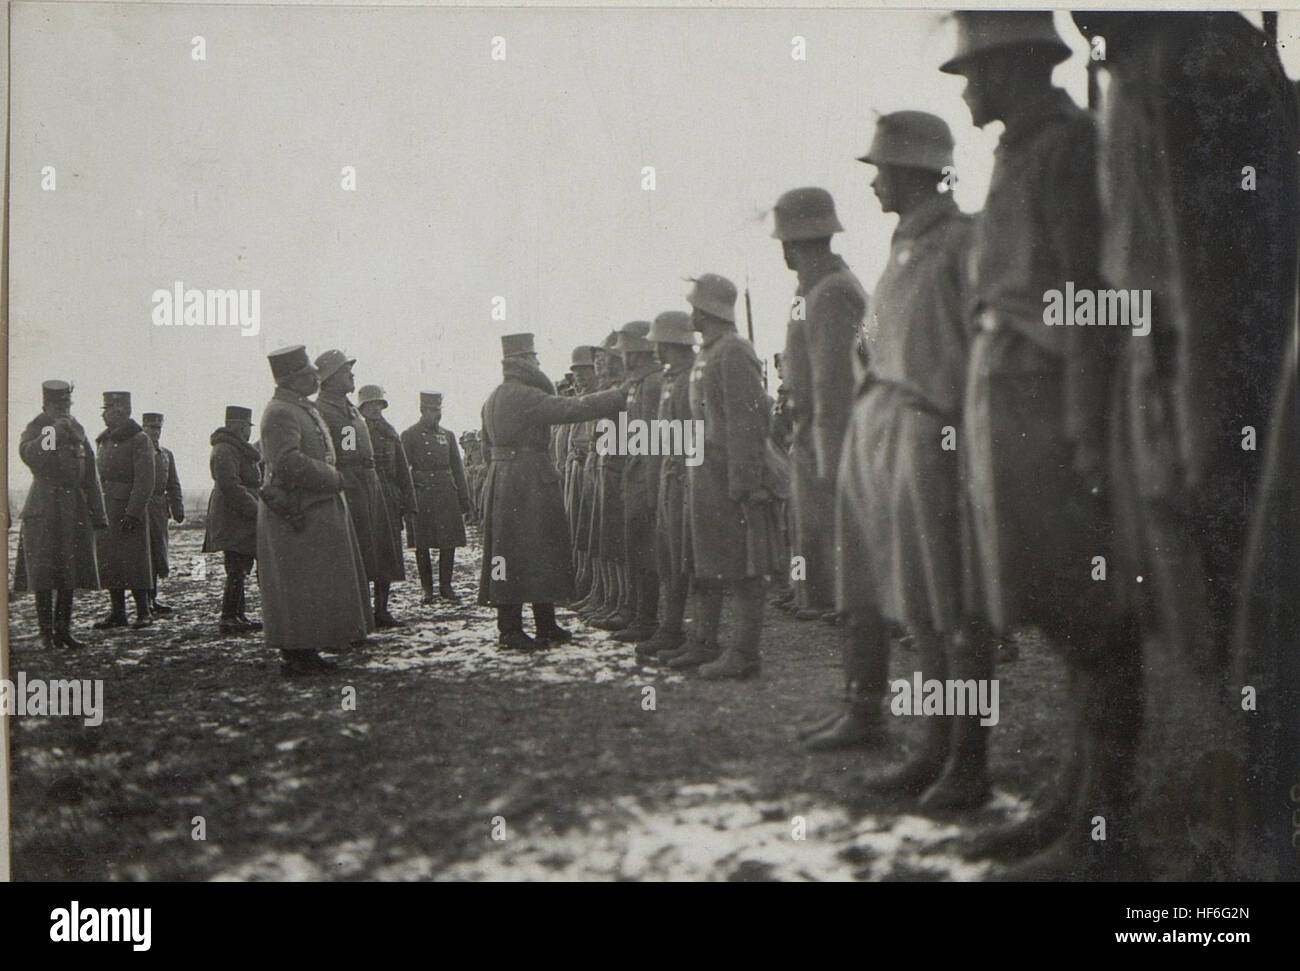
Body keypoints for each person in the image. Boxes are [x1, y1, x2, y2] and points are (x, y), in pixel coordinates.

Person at [1072, 10, 1300, 880]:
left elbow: (1224, 268)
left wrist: (1205, 431)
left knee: (1249, 615)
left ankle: (1258, 840)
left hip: (1219, 389)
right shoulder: (1136, 65)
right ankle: (1224, 828)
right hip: (1164, 378)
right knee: (1199, 628)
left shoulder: (1202, 58)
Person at [940, 11, 1135, 878]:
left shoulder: (1065, 147)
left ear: (1017, 68)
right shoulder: (1018, 149)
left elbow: (1098, 301)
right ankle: (1073, 797)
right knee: (1057, 612)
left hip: (1053, 412)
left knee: (1096, 621)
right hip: (1011, 411)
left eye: (975, 72)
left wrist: (1090, 430)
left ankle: (1106, 829)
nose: (967, 88)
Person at [802, 113, 986, 805]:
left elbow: (974, 345)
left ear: (909, 170)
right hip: (891, 438)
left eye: (880, 168)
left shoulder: (959, 241)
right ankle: (936, 745)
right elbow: (871, 349)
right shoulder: (902, 249)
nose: (874, 181)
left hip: (938, 435)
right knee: (921, 607)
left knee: (954, 608)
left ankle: (968, 759)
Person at [478, 332, 627, 650]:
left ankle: (541, 624)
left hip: (506, 479)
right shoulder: (522, 396)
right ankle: (512, 630)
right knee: (528, 552)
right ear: (523, 362)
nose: (538, 363)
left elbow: (487, 443)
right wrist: (619, 395)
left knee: (520, 552)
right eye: (534, 358)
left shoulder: (495, 396)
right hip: (528, 481)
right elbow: (572, 408)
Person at [671, 275, 783, 680]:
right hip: (708, 475)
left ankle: (744, 652)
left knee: (746, 567)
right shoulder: (710, 354)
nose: (691, 313)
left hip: (732, 478)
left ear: (708, 310)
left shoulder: (733, 352)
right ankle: (704, 642)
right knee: (711, 562)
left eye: (696, 307)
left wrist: (746, 483)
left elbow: (748, 423)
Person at [258, 345, 372, 676]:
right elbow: (287, 461)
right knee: (298, 584)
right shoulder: (282, 411)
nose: (314, 375)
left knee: (311, 581)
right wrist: (336, 477)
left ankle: (307, 649)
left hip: (316, 506)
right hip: (298, 510)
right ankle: (297, 654)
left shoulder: (301, 408)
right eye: (309, 370)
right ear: (294, 378)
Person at [774, 187, 861, 622]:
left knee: (845, 523)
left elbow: (834, 383)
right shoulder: (811, 292)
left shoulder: (830, 293)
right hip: (810, 429)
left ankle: (860, 609)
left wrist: (827, 450)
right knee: (818, 528)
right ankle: (838, 602)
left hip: (832, 431)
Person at [314, 350, 406, 628]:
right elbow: (338, 452)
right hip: (349, 486)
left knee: (378, 549)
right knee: (354, 553)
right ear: (329, 379)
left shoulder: (349, 408)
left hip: (369, 484)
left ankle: (379, 611)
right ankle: (354, 616)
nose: (352, 375)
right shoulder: (323, 411)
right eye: (345, 371)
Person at [13, 380, 107, 649]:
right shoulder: (38, 428)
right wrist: (53, 430)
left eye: (67, 404)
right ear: (46, 406)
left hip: (73, 509)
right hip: (44, 508)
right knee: (44, 572)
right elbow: (33, 457)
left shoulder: (78, 431)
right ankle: (46, 634)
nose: (64, 409)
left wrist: (98, 513)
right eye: (58, 405)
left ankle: (63, 631)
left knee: (70, 570)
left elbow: (91, 475)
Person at [635, 311, 697, 662]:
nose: (654, 349)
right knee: (670, 558)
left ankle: (684, 633)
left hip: (686, 478)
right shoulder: (673, 378)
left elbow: (699, 434)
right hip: (668, 478)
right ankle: (671, 629)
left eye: (658, 342)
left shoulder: (689, 379)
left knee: (688, 559)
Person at [611, 320, 664, 643]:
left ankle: (646, 619)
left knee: (647, 551)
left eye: (626, 350)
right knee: (636, 549)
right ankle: (638, 614)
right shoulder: (639, 384)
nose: (623, 357)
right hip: (636, 474)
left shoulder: (653, 384)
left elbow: (654, 440)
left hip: (647, 476)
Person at [93, 390, 157, 630]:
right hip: (107, 507)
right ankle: (118, 612)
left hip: (129, 509)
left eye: (107, 410)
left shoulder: (139, 439)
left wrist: (133, 512)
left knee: (137, 561)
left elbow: (145, 480)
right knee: (111, 561)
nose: (104, 416)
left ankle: (143, 612)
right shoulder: (105, 440)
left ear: (120, 411)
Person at [401, 392, 472, 604]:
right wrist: (416, 480)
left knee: (448, 540)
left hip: (445, 493)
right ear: (423, 411)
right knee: (422, 542)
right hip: (422, 494)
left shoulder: (448, 435)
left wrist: (464, 498)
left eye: (439, 411)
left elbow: (457, 469)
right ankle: (427, 588)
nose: (436, 415)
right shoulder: (410, 435)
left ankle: (445, 585)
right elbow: (403, 469)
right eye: (432, 411)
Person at [202, 405, 263, 633]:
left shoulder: (234, 448)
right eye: (248, 426)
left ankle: (238, 615)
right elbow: (230, 485)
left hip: (240, 514)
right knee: (237, 565)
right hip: (234, 515)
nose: (249, 431)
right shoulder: (225, 449)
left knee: (241, 564)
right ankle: (229, 617)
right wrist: (255, 509)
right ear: (239, 426)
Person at [359, 385, 419, 615]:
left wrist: (409, 502)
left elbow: (403, 469)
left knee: (387, 553)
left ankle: (382, 610)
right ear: (362, 407)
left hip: (389, 496)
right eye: (371, 404)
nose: (376, 409)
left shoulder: (390, 432)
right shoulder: (352, 430)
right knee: (365, 553)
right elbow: (345, 461)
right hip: (364, 494)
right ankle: (363, 611)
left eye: (379, 405)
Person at [141, 412, 184, 616]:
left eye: (158, 428)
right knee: (142, 555)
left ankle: (153, 598)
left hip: (159, 509)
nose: (155, 432)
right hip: (140, 508)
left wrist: (178, 510)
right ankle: (143, 604)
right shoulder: (138, 452)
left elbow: (173, 484)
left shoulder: (166, 454)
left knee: (158, 554)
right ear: (143, 429)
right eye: (151, 428)